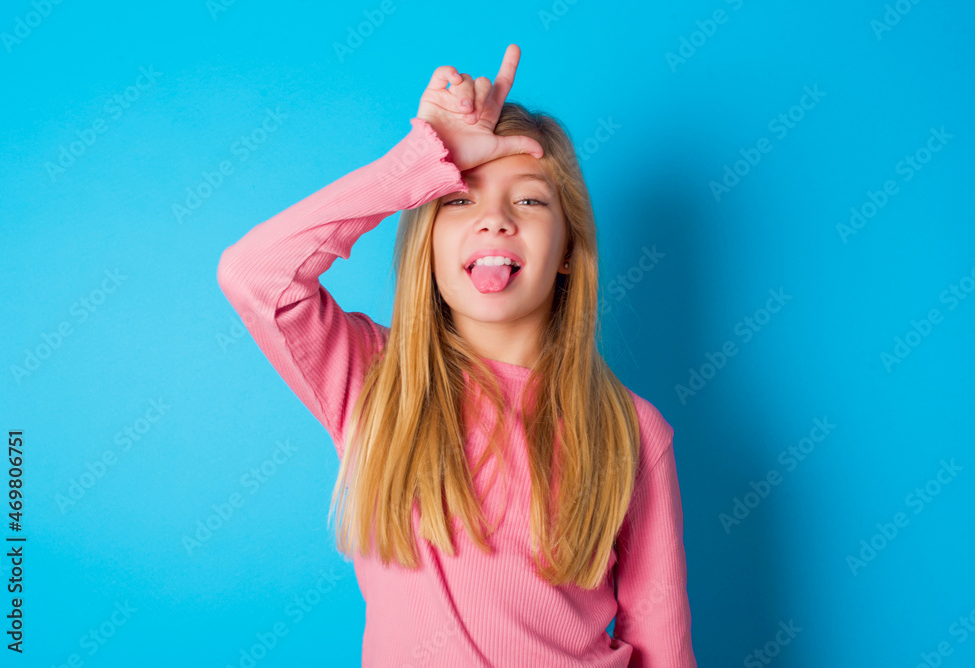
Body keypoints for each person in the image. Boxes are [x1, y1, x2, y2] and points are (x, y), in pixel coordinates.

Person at [217, 43, 697, 667]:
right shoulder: (374, 380)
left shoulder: (633, 430)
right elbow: (254, 275)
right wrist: (422, 161)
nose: (495, 220)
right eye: (460, 200)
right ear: (428, 247)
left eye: (528, 200)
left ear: (569, 252)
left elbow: (664, 643)